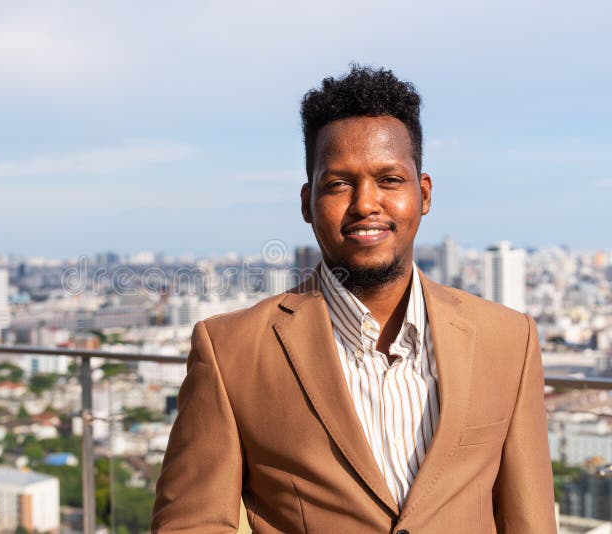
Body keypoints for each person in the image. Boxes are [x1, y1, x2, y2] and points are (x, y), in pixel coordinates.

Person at [151, 65, 556, 533]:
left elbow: (529, 519)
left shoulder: (507, 339)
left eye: (389, 180)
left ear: (423, 194)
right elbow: (191, 524)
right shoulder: (231, 350)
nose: (366, 203)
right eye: (339, 183)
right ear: (307, 203)